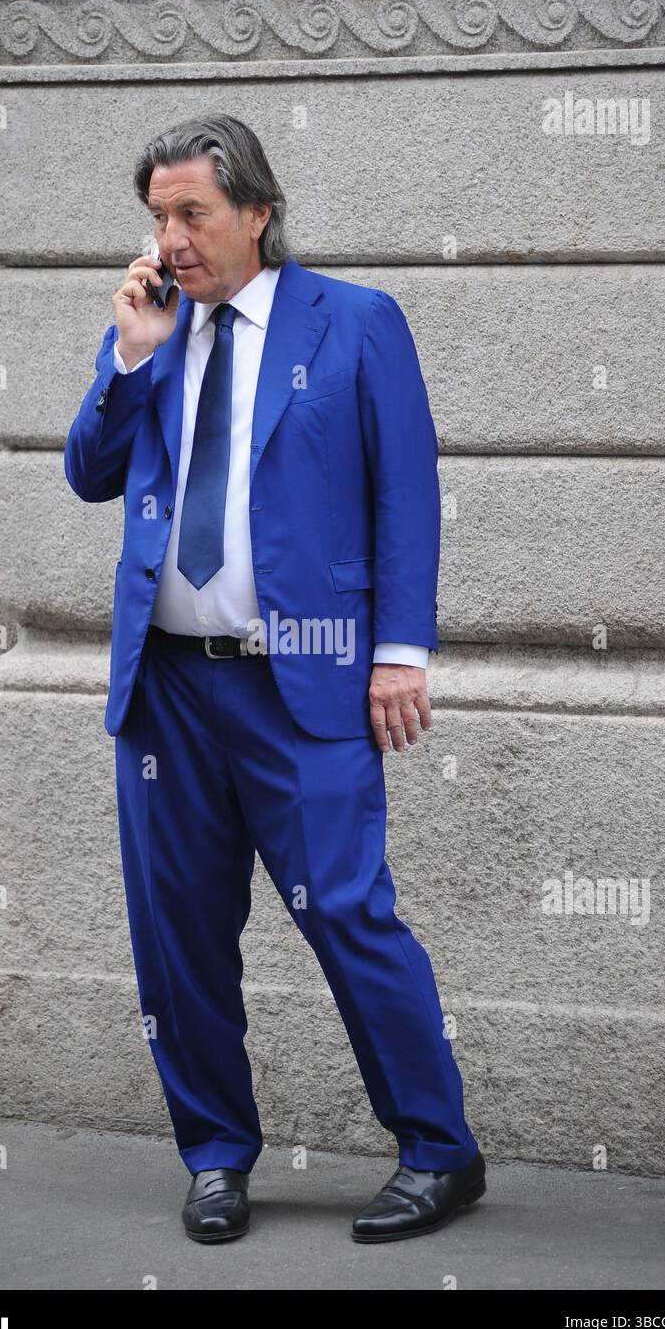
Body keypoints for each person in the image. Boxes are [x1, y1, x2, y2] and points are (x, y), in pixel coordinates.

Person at [64, 114, 485, 1244]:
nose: (171, 237)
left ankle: (440, 1152)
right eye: (157, 215)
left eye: (191, 212)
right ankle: (214, 1155)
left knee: (348, 910)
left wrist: (400, 652)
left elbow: (407, 494)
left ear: (256, 210)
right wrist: (130, 357)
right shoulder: (156, 330)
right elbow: (88, 475)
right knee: (178, 932)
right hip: (167, 688)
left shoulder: (351, 324)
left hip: (304, 681)